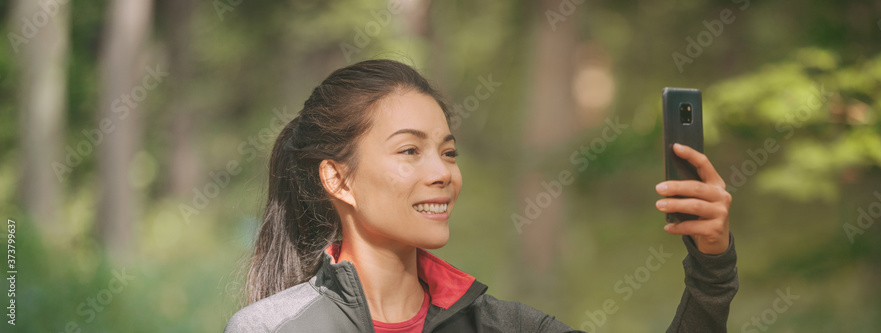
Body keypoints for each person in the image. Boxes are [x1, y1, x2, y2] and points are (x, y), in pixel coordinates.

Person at [224, 59, 738, 333]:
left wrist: (712, 267)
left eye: (448, 153)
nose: (443, 173)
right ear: (338, 180)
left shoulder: (505, 326)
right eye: (410, 151)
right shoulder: (271, 329)